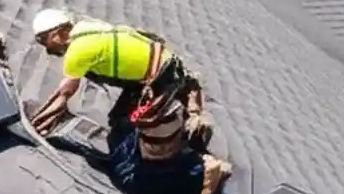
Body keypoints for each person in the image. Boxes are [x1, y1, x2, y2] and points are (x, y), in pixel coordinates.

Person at [28, 9, 211, 148]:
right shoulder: (88, 28)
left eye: (44, 41)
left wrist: (34, 126)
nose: (47, 48)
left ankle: (190, 150)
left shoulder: (77, 51)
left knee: (125, 128)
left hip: (160, 81)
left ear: (57, 34)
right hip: (168, 67)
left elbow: (62, 96)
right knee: (122, 118)